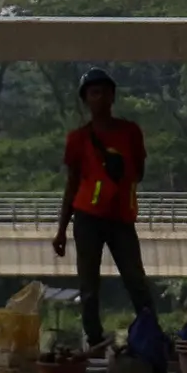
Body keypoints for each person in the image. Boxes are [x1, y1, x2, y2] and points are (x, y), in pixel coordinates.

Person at [50, 68, 154, 354]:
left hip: (121, 219)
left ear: (112, 96)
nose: (101, 97)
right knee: (89, 285)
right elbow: (72, 184)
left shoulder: (130, 132)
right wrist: (61, 229)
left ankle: (151, 335)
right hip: (87, 218)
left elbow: (139, 172)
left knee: (136, 280)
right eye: (94, 92)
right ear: (86, 99)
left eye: (105, 91)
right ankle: (95, 340)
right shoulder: (78, 139)